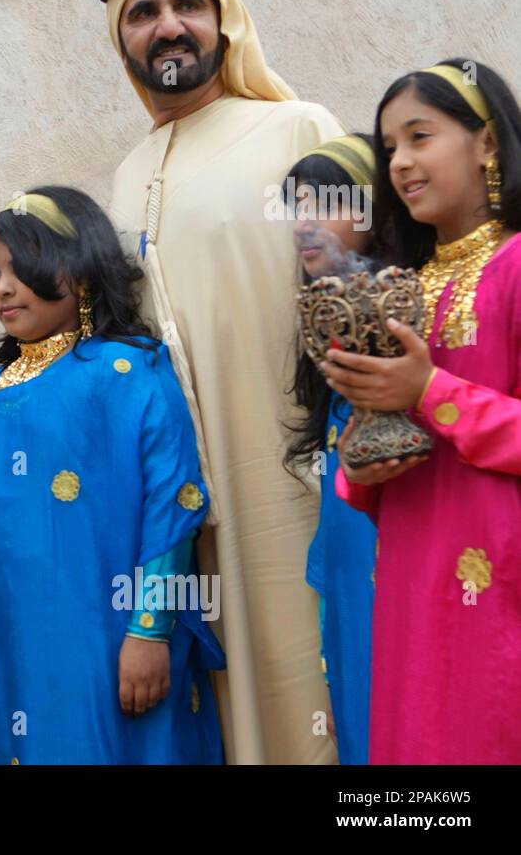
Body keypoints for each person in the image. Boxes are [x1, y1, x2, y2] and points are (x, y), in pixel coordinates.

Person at [100, 0, 346, 762]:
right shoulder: (127, 174)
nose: (168, 27)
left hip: (295, 480)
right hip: (187, 509)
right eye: (144, 14)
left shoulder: (295, 127)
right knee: (226, 709)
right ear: (123, 40)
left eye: (187, 6)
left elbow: (361, 290)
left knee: (318, 691)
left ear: (223, 22)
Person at [0, 187, 224, 764]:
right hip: (4, 641)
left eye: (22, 267)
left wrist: (149, 630)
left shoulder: (128, 369)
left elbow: (174, 505)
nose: (3, 288)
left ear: (83, 272)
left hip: (105, 636)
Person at [324, 60, 521, 764]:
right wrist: (361, 452)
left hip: (500, 568)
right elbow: (370, 461)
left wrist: (427, 391)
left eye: (420, 136)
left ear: (488, 143)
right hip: (411, 561)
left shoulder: (518, 264)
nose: (401, 162)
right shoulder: (397, 288)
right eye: (389, 148)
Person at [281, 134, 381, 764]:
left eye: (327, 203)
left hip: (407, 571)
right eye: (295, 207)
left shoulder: (416, 315)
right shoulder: (329, 325)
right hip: (349, 578)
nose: (304, 223)